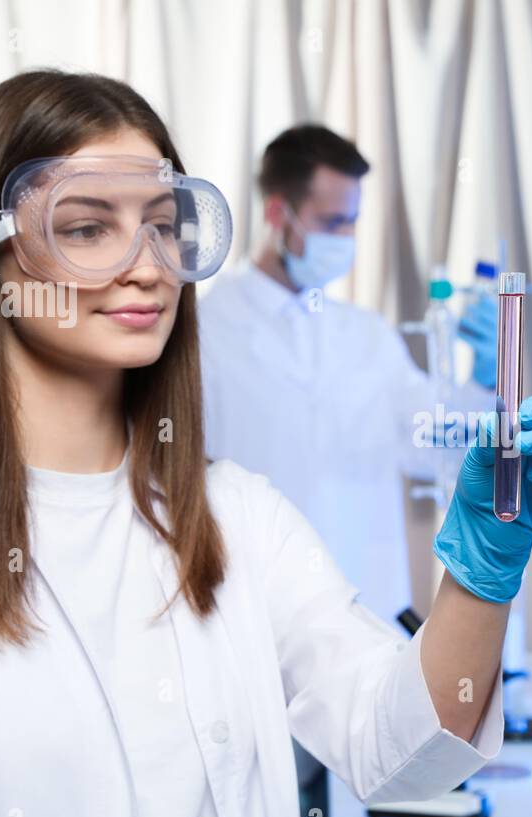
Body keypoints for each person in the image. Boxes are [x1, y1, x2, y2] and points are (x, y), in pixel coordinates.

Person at [0, 70, 532, 817]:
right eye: (90, 228)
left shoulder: (239, 516)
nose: (149, 265)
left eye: (164, 227)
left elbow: (400, 751)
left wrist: (485, 564)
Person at [199, 124, 498, 626]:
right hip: (248, 615)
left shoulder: (368, 336)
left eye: (352, 222)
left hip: (367, 609)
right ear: (278, 212)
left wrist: (487, 381)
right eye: (332, 221)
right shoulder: (205, 330)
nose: (345, 239)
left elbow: (436, 447)